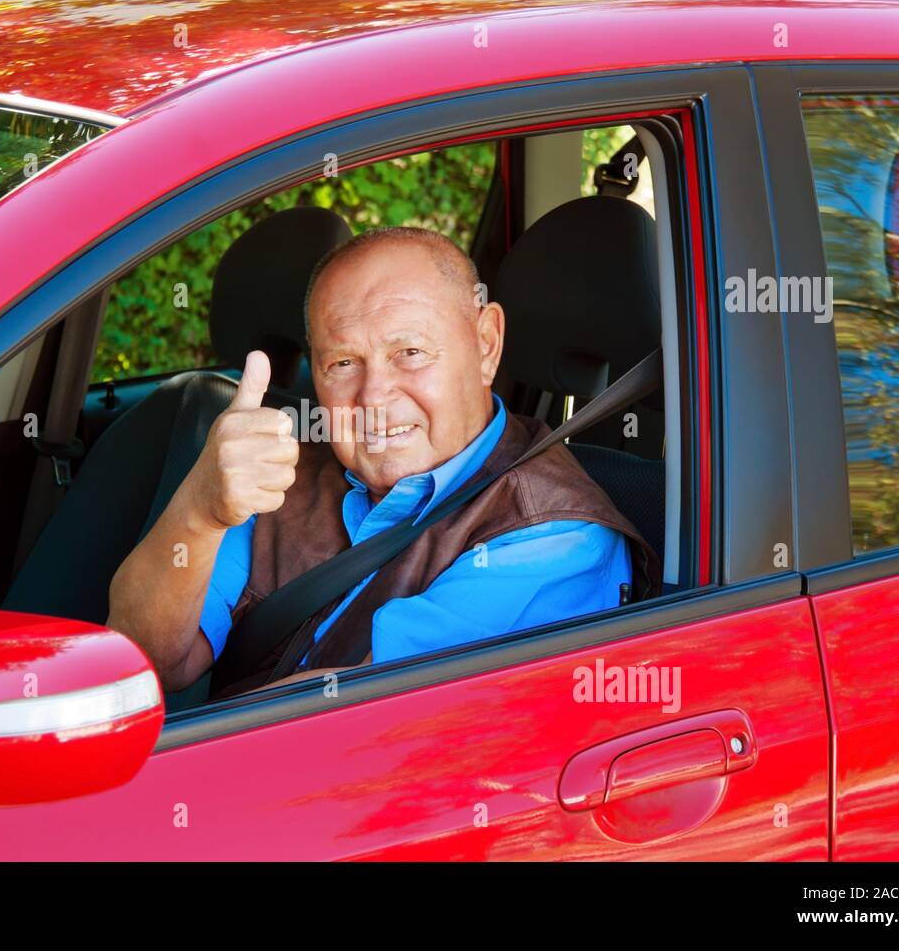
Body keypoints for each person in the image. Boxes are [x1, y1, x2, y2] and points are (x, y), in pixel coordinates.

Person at [106, 227, 653, 697]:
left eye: (410, 354)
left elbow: (347, 723)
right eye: (343, 362)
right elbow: (146, 661)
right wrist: (200, 512)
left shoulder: (553, 535)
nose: (374, 397)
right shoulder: (282, 471)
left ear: (486, 344)